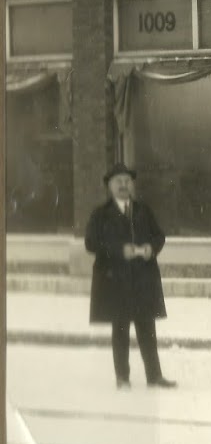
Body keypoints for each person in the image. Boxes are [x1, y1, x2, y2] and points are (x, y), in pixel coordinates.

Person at [84, 163, 176, 389]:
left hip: (143, 280)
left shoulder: (143, 210)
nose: (124, 185)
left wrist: (150, 249)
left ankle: (154, 377)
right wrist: (118, 251)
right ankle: (122, 378)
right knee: (121, 330)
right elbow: (91, 243)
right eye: (118, 182)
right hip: (115, 280)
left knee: (147, 330)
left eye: (127, 181)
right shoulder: (100, 214)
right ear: (110, 187)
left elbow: (159, 236)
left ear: (132, 185)